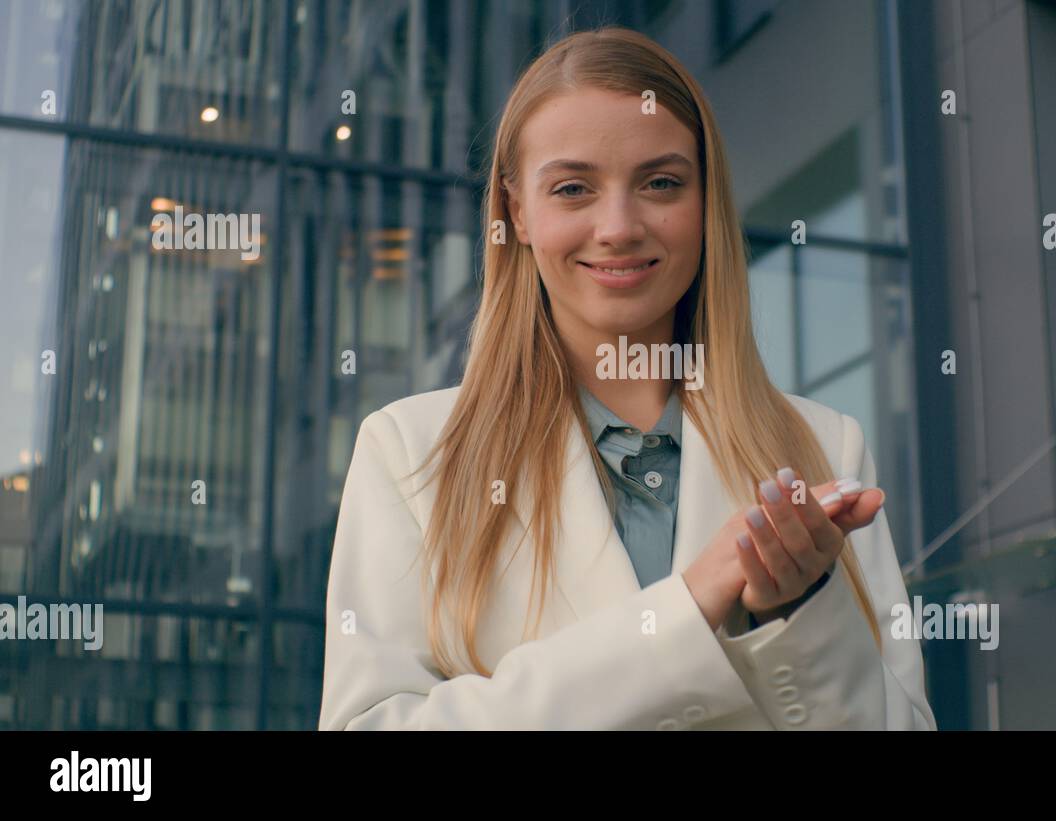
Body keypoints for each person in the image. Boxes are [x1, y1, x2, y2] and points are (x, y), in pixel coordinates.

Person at [318, 25, 936, 731]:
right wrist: (688, 608)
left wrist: (798, 615)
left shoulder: (826, 445)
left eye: (661, 183)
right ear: (517, 212)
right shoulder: (410, 451)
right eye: (574, 188)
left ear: (705, 204)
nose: (618, 226)